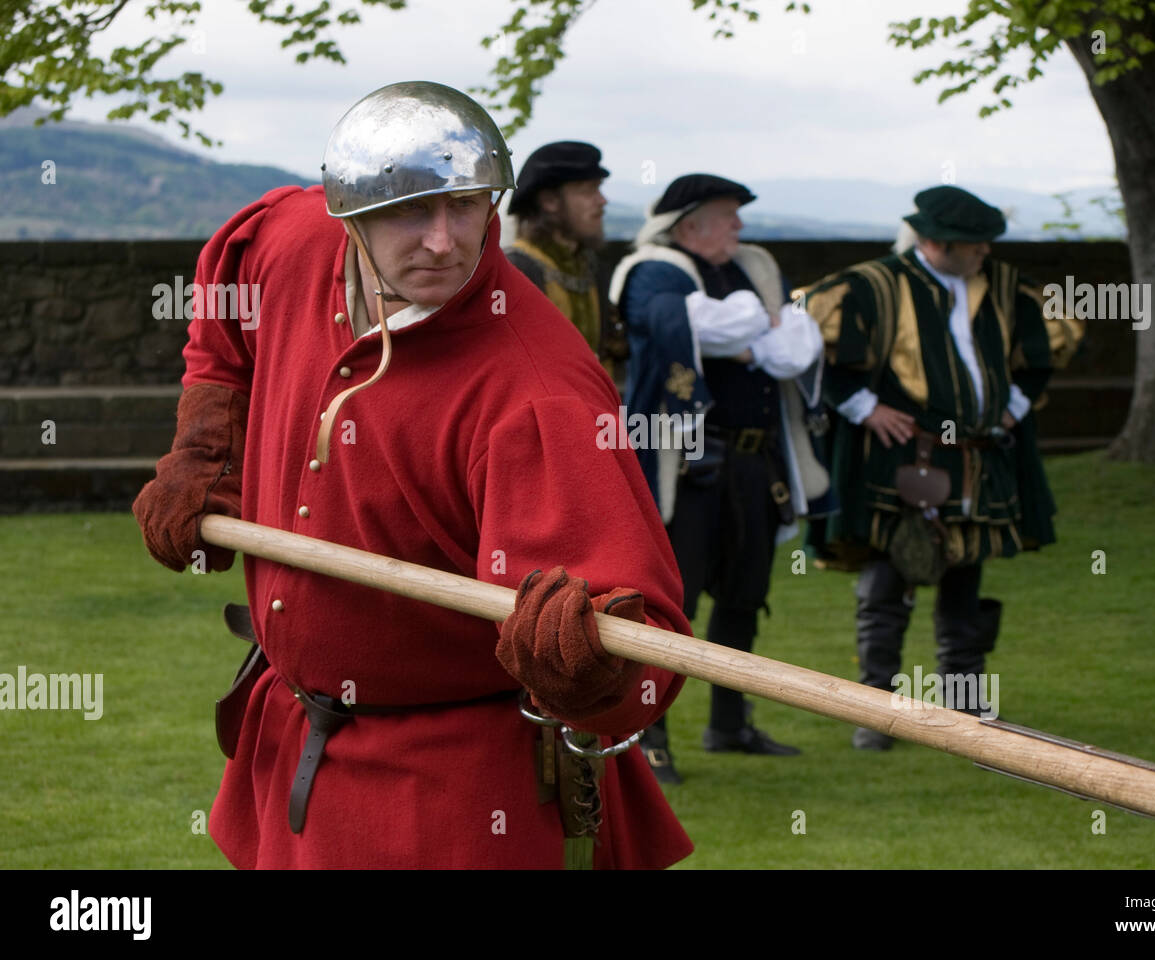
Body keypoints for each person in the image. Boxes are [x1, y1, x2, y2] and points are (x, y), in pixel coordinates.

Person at [131, 81, 694, 869]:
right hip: (291, 735)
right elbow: (229, 282)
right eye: (408, 211)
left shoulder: (539, 393)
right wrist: (207, 447)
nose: (443, 241)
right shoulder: (294, 248)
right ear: (350, 216)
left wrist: (589, 659)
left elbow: (642, 646)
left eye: (465, 205)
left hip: (453, 793)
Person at [799, 185, 1082, 750]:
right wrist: (864, 407)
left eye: (986, 244)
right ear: (933, 241)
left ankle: (967, 715)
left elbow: (1043, 354)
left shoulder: (1003, 286)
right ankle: (877, 714)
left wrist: (1014, 406)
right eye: (972, 245)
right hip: (901, 455)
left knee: (965, 571)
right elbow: (806, 345)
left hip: (976, 458)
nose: (984, 254)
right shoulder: (870, 285)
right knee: (888, 580)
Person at [609, 173, 828, 783]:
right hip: (686, 465)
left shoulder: (749, 269)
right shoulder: (654, 269)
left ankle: (729, 724)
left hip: (753, 464)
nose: (739, 228)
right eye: (728, 217)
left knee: (743, 597)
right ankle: (649, 741)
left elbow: (797, 344)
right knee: (667, 605)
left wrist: (748, 335)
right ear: (689, 226)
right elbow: (691, 327)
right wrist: (756, 328)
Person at [504, 141, 625, 376]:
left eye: (598, 188)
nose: (602, 201)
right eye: (588, 190)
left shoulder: (590, 265)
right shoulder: (518, 270)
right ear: (549, 201)